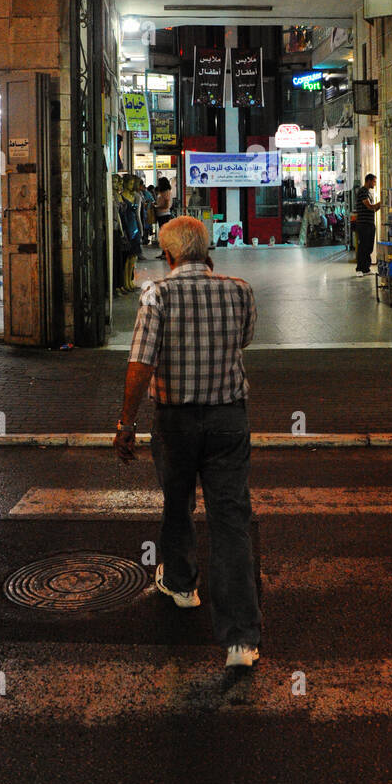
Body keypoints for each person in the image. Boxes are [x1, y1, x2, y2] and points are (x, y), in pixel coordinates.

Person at [112, 216, 261, 670]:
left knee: (177, 505)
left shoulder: (157, 294)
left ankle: (181, 585)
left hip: (175, 422)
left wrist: (126, 423)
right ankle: (240, 641)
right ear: (206, 249)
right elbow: (245, 341)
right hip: (228, 419)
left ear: (169, 254)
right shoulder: (239, 289)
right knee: (231, 519)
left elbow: (140, 364)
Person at [355, 172, 380, 275]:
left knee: (369, 247)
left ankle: (366, 268)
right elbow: (369, 206)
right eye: (374, 181)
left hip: (370, 223)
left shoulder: (369, 193)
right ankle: (359, 269)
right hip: (363, 224)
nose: (374, 184)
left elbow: (372, 210)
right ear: (368, 181)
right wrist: (381, 203)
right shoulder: (362, 192)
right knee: (363, 247)